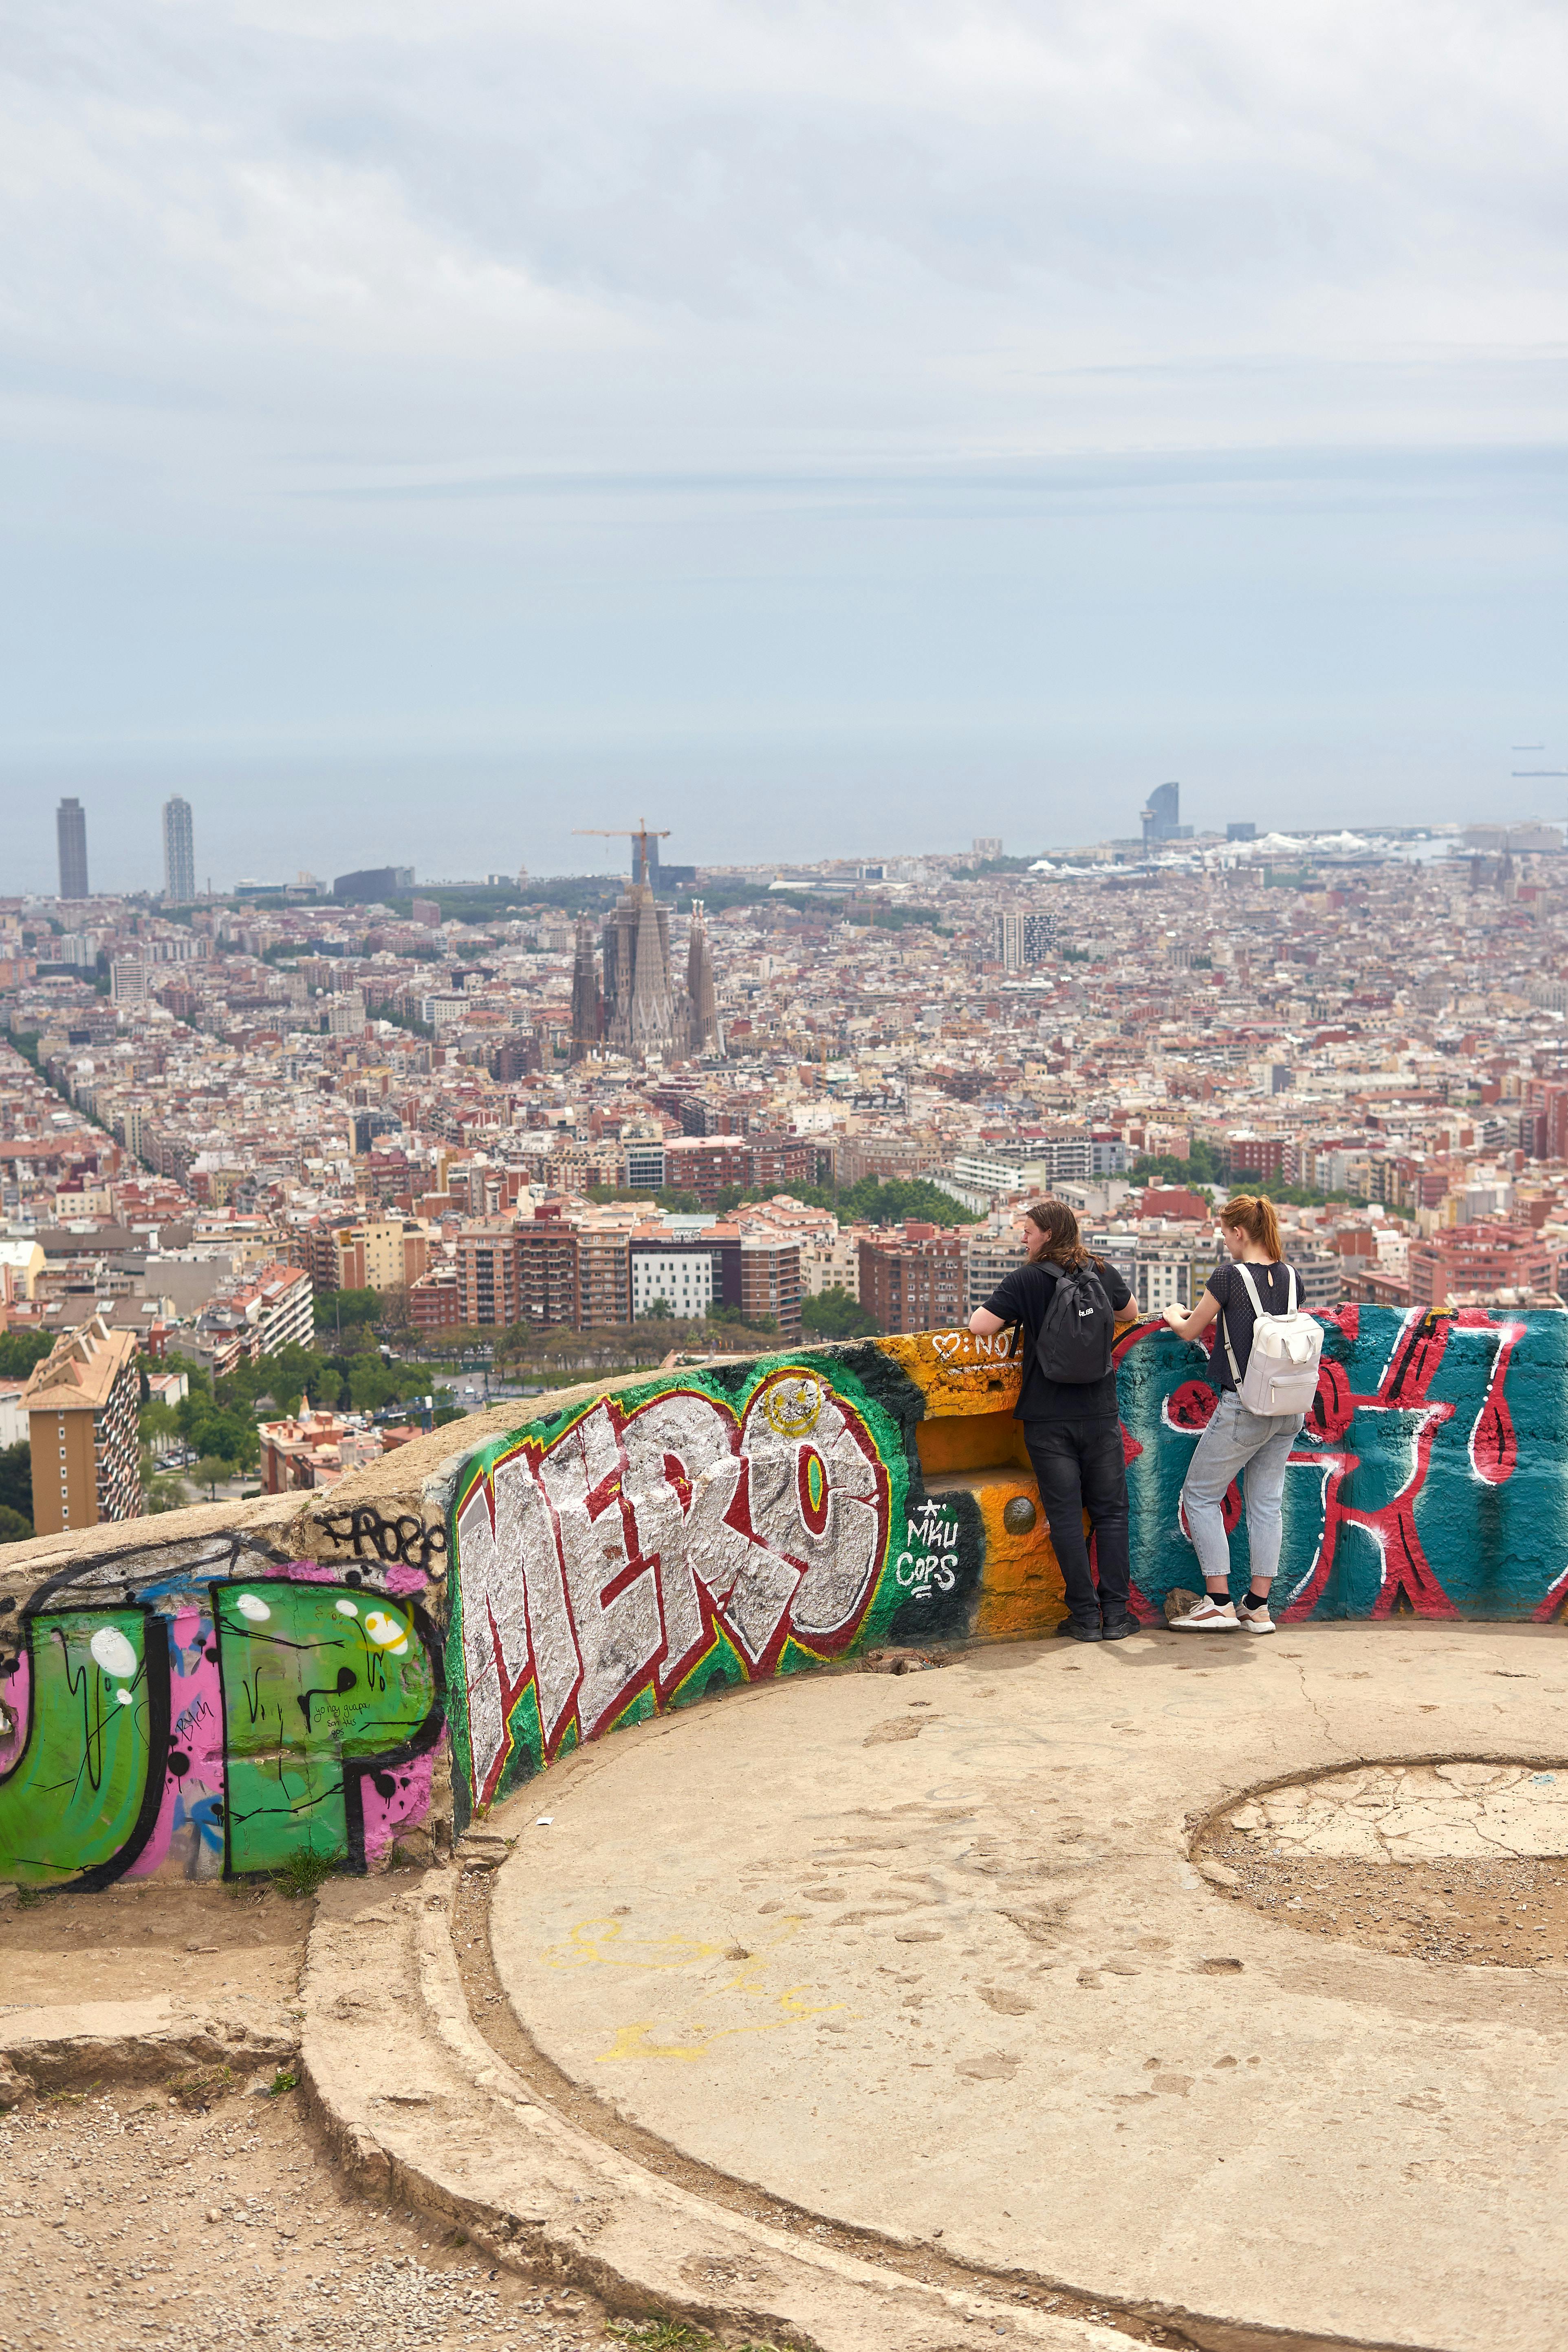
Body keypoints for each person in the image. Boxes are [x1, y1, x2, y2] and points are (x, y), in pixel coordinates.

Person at [969, 1198, 1140, 1642]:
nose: (1022, 1238)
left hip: (1047, 1417)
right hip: (1099, 1411)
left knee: (1064, 1515)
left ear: (1046, 1233)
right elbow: (1131, 1314)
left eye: (1027, 1230)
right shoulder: (1100, 1271)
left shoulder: (1026, 1279)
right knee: (1111, 1513)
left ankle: (1084, 1617)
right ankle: (1117, 1615)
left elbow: (979, 1327)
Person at [1160, 1193, 1304, 1634]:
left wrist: (1169, 1312)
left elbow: (1189, 1329)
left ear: (1239, 1232)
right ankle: (1257, 1607)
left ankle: (1219, 1602)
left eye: (1225, 1233)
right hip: (1288, 1407)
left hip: (1245, 1407)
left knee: (1200, 1496)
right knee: (1266, 1504)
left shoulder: (1228, 1277)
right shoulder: (1291, 1276)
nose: (1225, 1241)